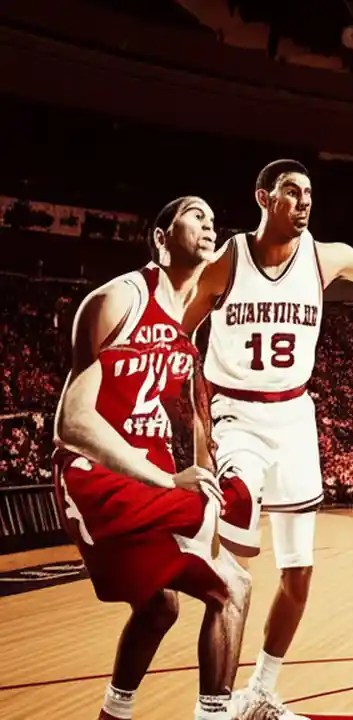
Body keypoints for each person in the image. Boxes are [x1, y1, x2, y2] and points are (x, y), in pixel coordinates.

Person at [184, 160, 353, 718]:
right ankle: (212, 704)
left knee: (298, 574)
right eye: (292, 192)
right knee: (235, 565)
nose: (304, 202)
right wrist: (199, 430)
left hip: (295, 418)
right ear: (263, 197)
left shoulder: (326, 257)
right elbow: (179, 331)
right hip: (238, 416)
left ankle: (260, 691)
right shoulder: (228, 260)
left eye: (309, 194)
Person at [52, 197, 251, 720]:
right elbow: (71, 424)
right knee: (233, 585)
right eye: (195, 214)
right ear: (161, 238)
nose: (210, 222)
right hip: (96, 475)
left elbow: (197, 409)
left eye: (214, 217)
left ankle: (112, 716)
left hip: (147, 475)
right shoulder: (119, 299)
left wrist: (210, 463)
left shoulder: (188, 325)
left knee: (160, 605)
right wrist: (168, 478)